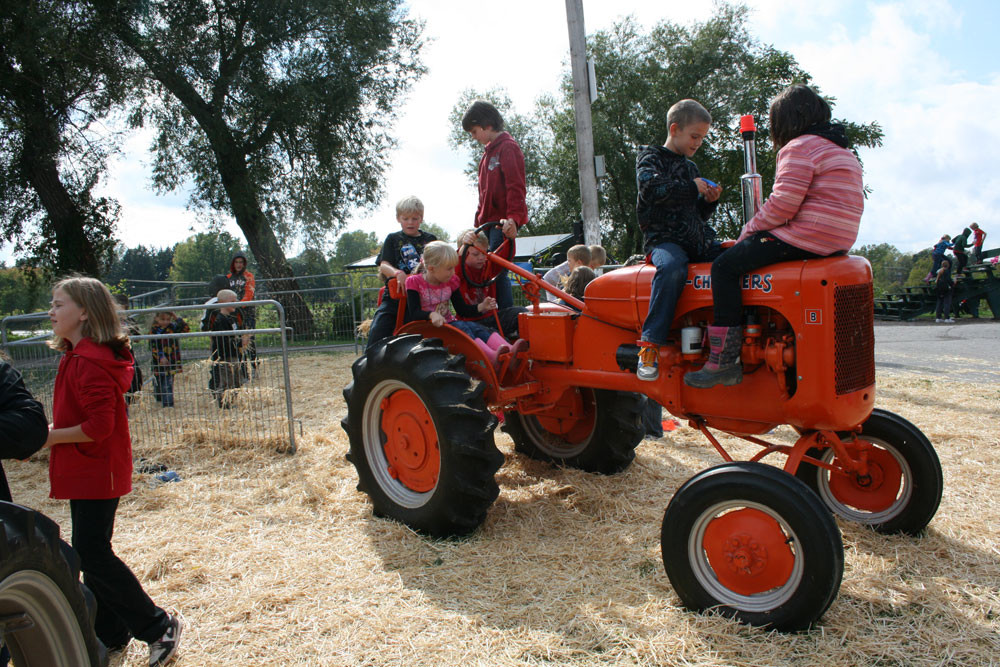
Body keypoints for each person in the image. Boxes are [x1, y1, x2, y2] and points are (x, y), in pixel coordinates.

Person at [684, 84, 864, 389]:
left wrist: (750, 229)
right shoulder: (843, 152)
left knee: (724, 267)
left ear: (786, 121)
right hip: (839, 240)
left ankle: (723, 361)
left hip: (808, 236)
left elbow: (783, 204)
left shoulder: (799, 147)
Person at [45, 276, 182, 665]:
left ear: (84, 312)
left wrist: (50, 437)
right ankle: (111, 634)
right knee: (92, 550)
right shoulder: (75, 355)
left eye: (59, 305)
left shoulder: (88, 361)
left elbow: (98, 427)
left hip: (97, 470)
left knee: (91, 552)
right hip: (87, 470)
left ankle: (157, 627)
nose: (51, 312)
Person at [635, 98, 723, 381]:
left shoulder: (691, 169)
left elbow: (695, 215)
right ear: (675, 129)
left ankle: (725, 344)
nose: (698, 143)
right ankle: (650, 345)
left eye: (702, 138)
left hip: (695, 240)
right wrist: (690, 188)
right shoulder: (650, 158)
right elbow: (651, 189)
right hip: (664, 240)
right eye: (695, 136)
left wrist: (709, 202)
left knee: (735, 259)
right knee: (672, 268)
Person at [462, 100, 526, 311]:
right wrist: (476, 226)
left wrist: (513, 219)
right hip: (486, 226)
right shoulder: (486, 155)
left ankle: (507, 318)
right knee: (480, 270)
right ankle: (485, 314)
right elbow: (483, 196)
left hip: (501, 225)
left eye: (474, 131)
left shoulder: (507, 148)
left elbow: (515, 187)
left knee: (497, 271)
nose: (473, 136)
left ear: (487, 125)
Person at [404, 241, 512, 366]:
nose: (453, 273)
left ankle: (509, 350)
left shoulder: (451, 281)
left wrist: (481, 306)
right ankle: (489, 357)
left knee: (476, 327)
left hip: (448, 324)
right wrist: (431, 315)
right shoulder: (414, 282)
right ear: (431, 269)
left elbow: (462, 310)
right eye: (449, 269)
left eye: (453, 268)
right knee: (463, 328)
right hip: (426, 326)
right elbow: (414, 313)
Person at [365, 196, 437, 352]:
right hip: (395, 298)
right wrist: (397, 273)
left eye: (414, 218)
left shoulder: (430, 240)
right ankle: (369, 361)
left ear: (421, 218)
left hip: (422, 300)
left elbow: (439, 263)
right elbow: (384, 265)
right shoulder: (393, 239)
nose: (410, 222)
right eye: (406, 218)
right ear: (398, 218)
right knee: (378, 330)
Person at [455, 228, 526, 339]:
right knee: (495, 336)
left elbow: (505, 257)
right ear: (463, 253)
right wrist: (462, 249)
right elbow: (457, 265)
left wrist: (509, 237)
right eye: (475, 254)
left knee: (523, 314)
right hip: (469, 322)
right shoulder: (459, 270)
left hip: (492, 318)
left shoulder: (489, 266)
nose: (481, 257)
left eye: (484, 252)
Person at [208, 290, 245, 408]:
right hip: (224, 356)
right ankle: (223, 403)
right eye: (232, 301)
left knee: (236, 380)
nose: (236, 303)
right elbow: (223, 341)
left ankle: (231, 401)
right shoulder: (220, 320)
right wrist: (239, 342)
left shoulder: (230, 318)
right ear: (223, 303)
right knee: (226, 381)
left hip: (233, 354)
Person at [149, 311, 189, 408]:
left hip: (171, 359)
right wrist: (160, 356)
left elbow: (186, 329)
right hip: (158, 361)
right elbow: (152, 345)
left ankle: (168, 405)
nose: (166, 322)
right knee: (158, 381)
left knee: (168, 382)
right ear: (156, 319)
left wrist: (176, 317)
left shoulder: (173, 327)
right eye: (163, 319)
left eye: (168, 319)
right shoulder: (153, 330)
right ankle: (159, 398)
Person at [934, 259, 955, 323]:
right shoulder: (947, 271)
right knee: (947, 303)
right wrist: (954, 282)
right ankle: (947, 318)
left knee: (939, 303)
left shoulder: (939, 271)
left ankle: (938, 317)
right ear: (948, 265)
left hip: (939, 289)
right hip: (946, 289)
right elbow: (949, 281)